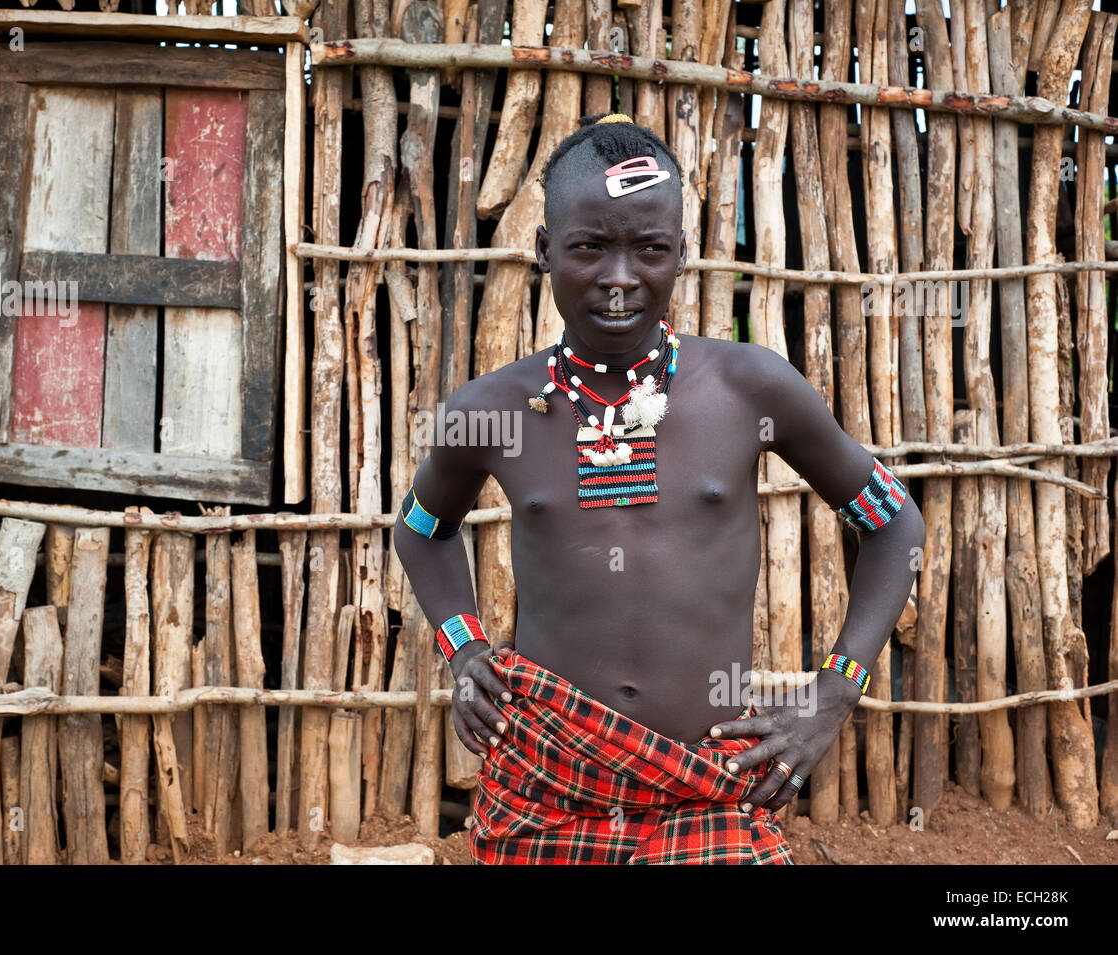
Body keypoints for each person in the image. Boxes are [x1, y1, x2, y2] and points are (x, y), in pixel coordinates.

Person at [392, 113, 926, 864]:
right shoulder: (491, 411)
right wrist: (462, 645)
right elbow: (422, 528)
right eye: (588, 247)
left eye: (648, 248)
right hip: (546, 783)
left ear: (682, 252)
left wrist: (834, 691)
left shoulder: (749, 389)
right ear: (544, 250)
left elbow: (893, 523)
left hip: (711, 779)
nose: (619, 278)